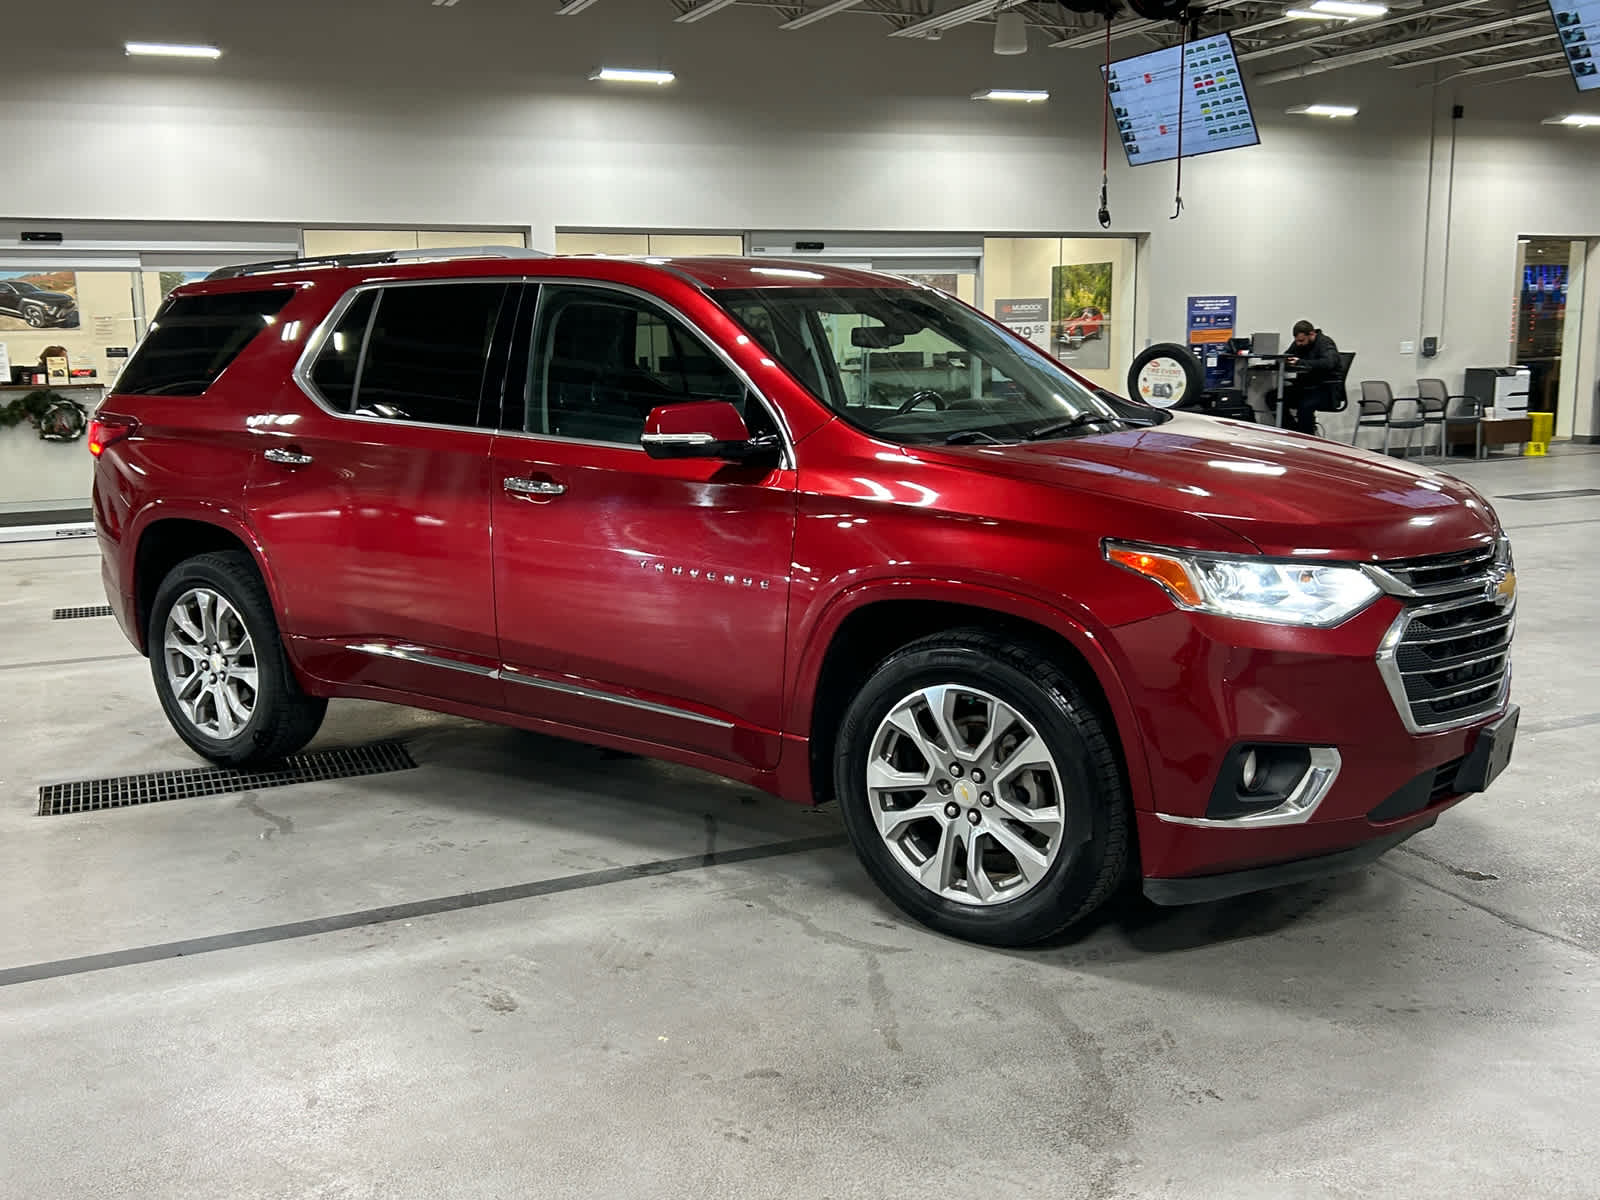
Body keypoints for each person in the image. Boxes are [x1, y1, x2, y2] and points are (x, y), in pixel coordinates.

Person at [1281, 320, 1340, 435]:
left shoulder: (1325, 343)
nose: (1298, 344)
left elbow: (1329, 363)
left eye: (1301, 341)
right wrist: (1286, 360)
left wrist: (1301, 362)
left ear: (1312, 334)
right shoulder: (1299, 342)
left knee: (1304, 406)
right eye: (1296, 341)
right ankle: (1295, 431)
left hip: (1325, 389)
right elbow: (1287, 355)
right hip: (1306, 388)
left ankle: (1306, 438)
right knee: (1273, 398)